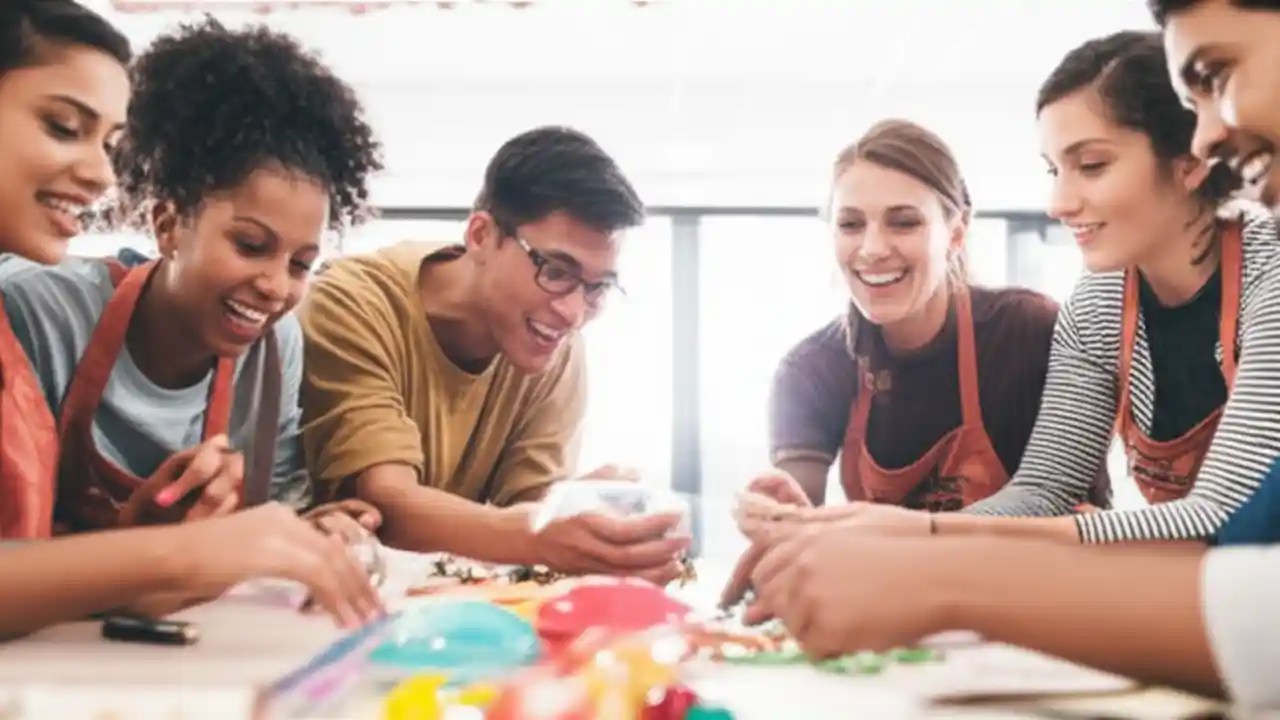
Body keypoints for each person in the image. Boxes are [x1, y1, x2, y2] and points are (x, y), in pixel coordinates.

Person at [745, 24, 1280, 714]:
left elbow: (1218, 516)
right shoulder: (1097, 304)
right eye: (1053, 171)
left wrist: (921, 539)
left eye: (1090, 166)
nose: (1059, 203)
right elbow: (1043, 494)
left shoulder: (1270, 271)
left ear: (1189, 161)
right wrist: (874, 535)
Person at [0, 0, 379, 636]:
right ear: (168, 225)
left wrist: (152, 549)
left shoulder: (276, 349)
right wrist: (174, 555)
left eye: (111, 145)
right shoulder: (30, 313)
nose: (99, 176)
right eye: (63, 126)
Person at [720, 119, 1107, 605]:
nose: (873, 249)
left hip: (1044, 608)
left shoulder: (1027, 331)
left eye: (904, 222)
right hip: (900, 617)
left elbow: (1072, 509)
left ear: (956, 232)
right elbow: (801, 524)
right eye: (850, 224)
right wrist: (779, 520)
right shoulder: (812, 369)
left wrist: (871, 541)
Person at [298, 126, 689, 584]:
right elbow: (388, 504)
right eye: (556, 271)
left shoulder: (555, 343)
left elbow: (525, 519)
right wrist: (543, 528)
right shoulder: (353, 303)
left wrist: (584, 513)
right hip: (308, 607)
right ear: (481, 235)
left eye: (598, 286)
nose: (574, 312)